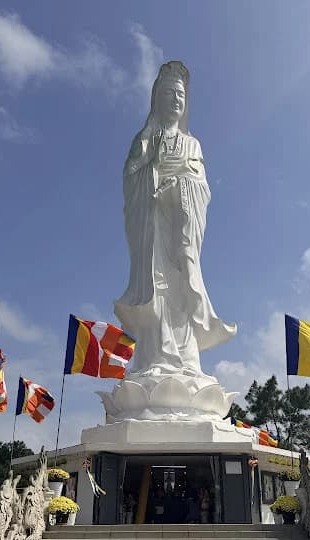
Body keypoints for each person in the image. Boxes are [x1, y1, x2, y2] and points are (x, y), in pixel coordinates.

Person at [116, 61, 236, 378]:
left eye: (180, 94)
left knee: (182, 289)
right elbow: (131, 180)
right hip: (153, 225)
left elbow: (202, 188)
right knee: (158, 290)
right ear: (157, 99)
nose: (176, 100)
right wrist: (153, 174)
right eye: (169, 93)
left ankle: (187, 361)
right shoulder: (145, 139)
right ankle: (154, 357)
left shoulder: (192, 145)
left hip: (180, 229)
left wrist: (180, 190)